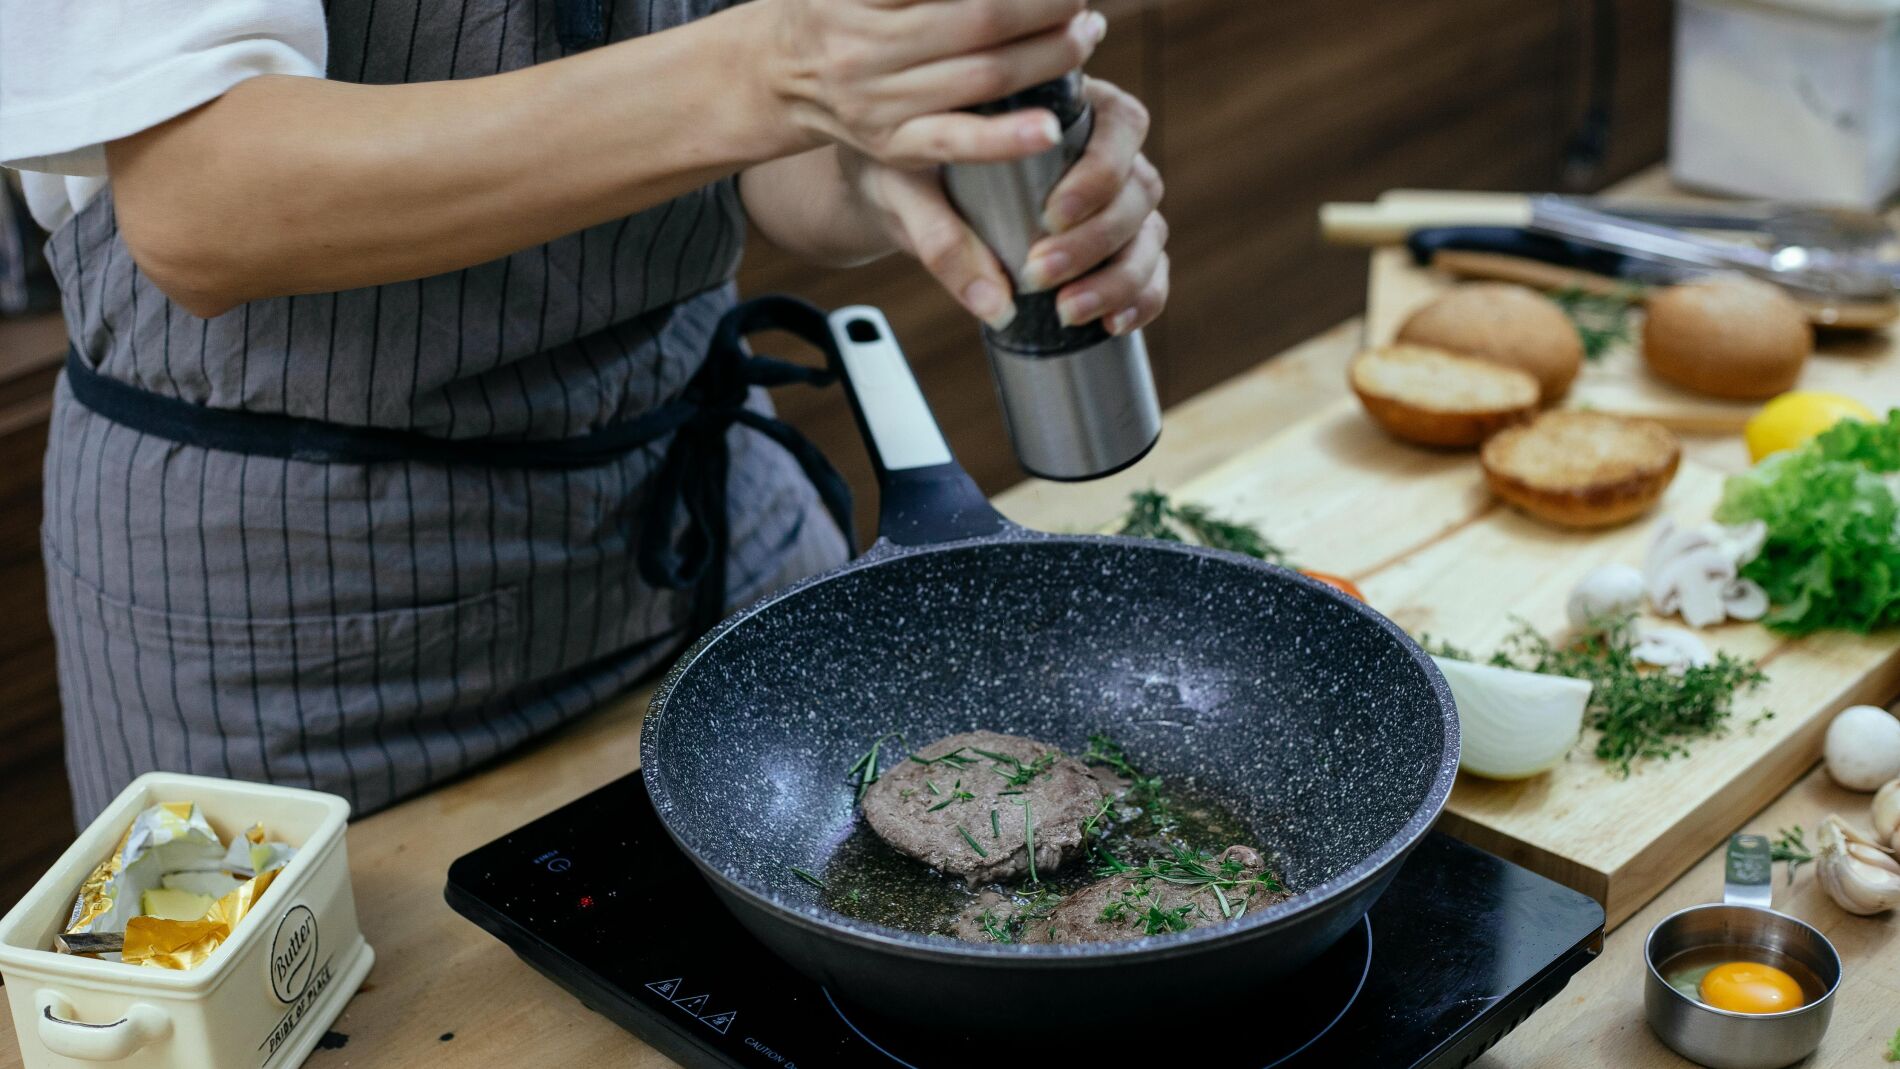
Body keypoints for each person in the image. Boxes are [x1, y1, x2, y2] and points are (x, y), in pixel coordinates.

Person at [0, 0, 1169, 825]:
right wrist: (770, 71)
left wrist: (894, 160)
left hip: (706, 521)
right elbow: (206, 204)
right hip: (301, 627)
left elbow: (774, 160)